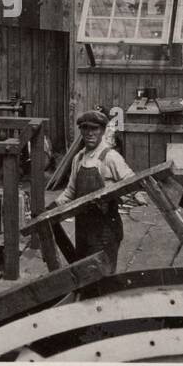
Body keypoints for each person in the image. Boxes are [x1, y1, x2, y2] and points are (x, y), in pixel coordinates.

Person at [54, 110, 136, 268]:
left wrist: (130, 196)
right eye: (86, 129)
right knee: (84, 272)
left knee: (102, 275)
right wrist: (54, 207)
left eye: (95, 129)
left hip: (106, 229)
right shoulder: (78, 158)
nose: (90, 133)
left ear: (103, 131)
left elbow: (132, 184)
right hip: (83, 227)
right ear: (81, 131)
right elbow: (71, 191)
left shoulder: (111, 157)